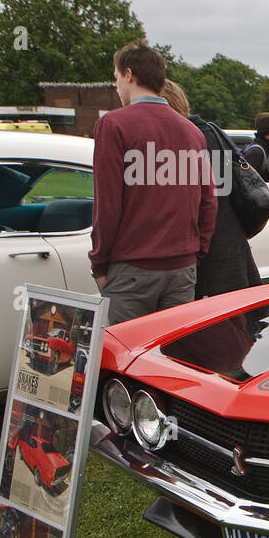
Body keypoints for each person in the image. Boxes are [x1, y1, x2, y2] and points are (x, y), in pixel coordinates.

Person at [89, 41, 216, 325]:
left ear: (129, 74)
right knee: (172, 357)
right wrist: (197, 253)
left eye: (116, 78)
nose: (117, 86)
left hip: (133, 266)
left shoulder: (114, 124)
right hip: (183, 267)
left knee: (127, 359)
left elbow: (107, 204)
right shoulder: (192, 132)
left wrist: (99, 262)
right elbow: (208, 201)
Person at [161, 81, 262, 300]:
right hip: (232, 250)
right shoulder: (211, 132)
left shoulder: (186, 139)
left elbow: (203, 202)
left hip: (208, 262)